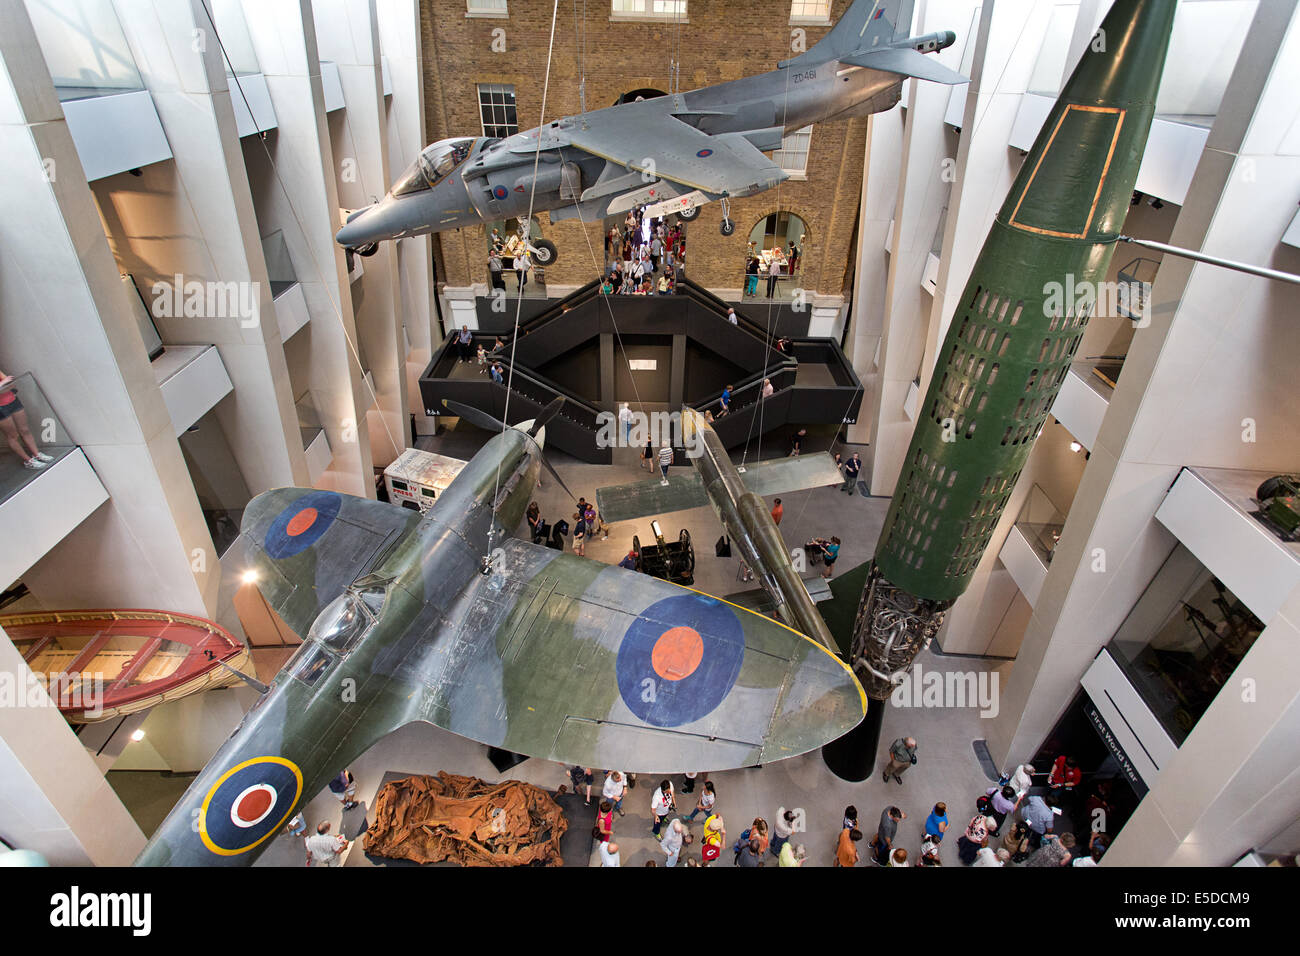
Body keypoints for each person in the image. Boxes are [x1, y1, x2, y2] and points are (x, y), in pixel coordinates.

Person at [0, 374, 52, 470]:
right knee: (13, 435)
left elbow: (11, 383)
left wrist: (5, 385)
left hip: (12, 400)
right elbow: (6, 382)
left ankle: (37, 454)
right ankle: (28, 460)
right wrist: (3, 383)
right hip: (1, 408)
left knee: (24, 429)